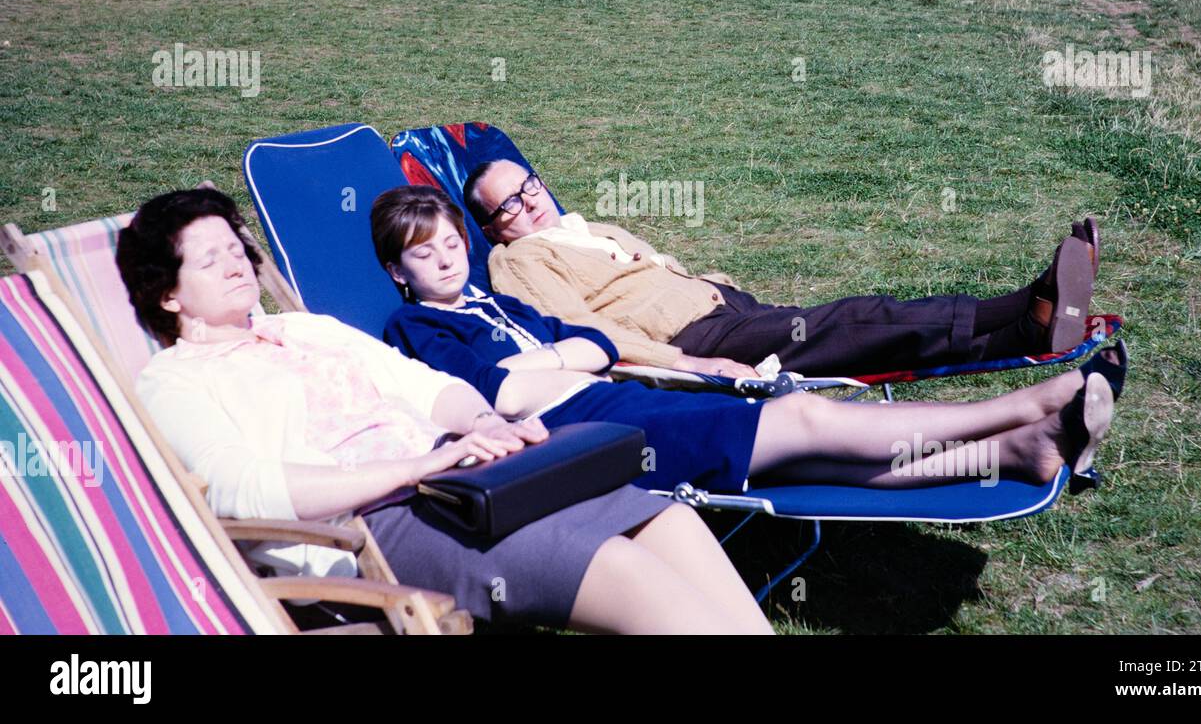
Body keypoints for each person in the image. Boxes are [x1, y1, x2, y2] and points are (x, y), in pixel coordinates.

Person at [116, 187, 772, 634]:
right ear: (167, 293)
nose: (236, 263)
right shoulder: (172, 381)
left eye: (236, 247)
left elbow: (423, 384)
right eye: (211, 259)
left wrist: (484, 423)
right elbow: (245, 491)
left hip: (467, 477)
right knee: (619, 566)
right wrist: (419, 464)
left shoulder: (306, 327)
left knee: (667, 517)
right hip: (377, 524)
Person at [372, 185, 1123, 496]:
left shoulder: (498, 296)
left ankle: (1021, 451)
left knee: (816, 452)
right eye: (422, 252)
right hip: (584, 425)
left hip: (616, 386)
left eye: (447, 241)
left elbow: (585, 345)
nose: (444, 256)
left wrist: (562, 353)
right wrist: (571, 354)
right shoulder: (421, 322)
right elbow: (504, 389)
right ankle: (1034, 396)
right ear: (397, 272)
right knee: (803, 418)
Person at [463, 160, 1092, 379]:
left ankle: (1019, 334)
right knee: (855, 320)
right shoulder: (517, 259)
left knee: (853, 338)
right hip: (691, 342)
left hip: (722, 309)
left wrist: (721, 286)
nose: (531, 200)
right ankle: (1023, 304)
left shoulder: (587, 226)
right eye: (511, 203)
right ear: (494, 225)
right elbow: (575, 332)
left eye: (530, 184)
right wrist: (684, 365)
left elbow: (659, 266)